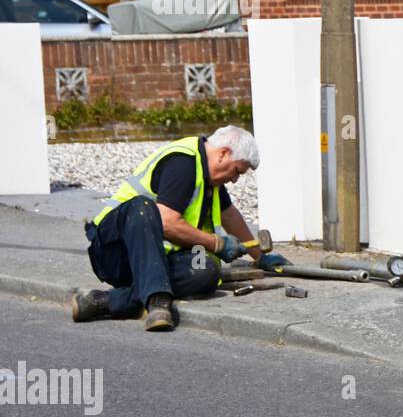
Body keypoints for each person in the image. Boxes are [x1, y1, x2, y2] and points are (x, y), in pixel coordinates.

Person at [71, 125, 288, 331]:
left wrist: (258, 255)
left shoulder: (211, 179)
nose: (235, 180)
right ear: (223, 154)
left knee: (205, 269)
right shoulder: (183, 163)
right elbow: (166, 222)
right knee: (143, 206)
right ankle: (158, 303)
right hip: (115, 252)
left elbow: (228, 213)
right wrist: (216, 243)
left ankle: (105, 301)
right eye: (237, 171)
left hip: (150, 263)